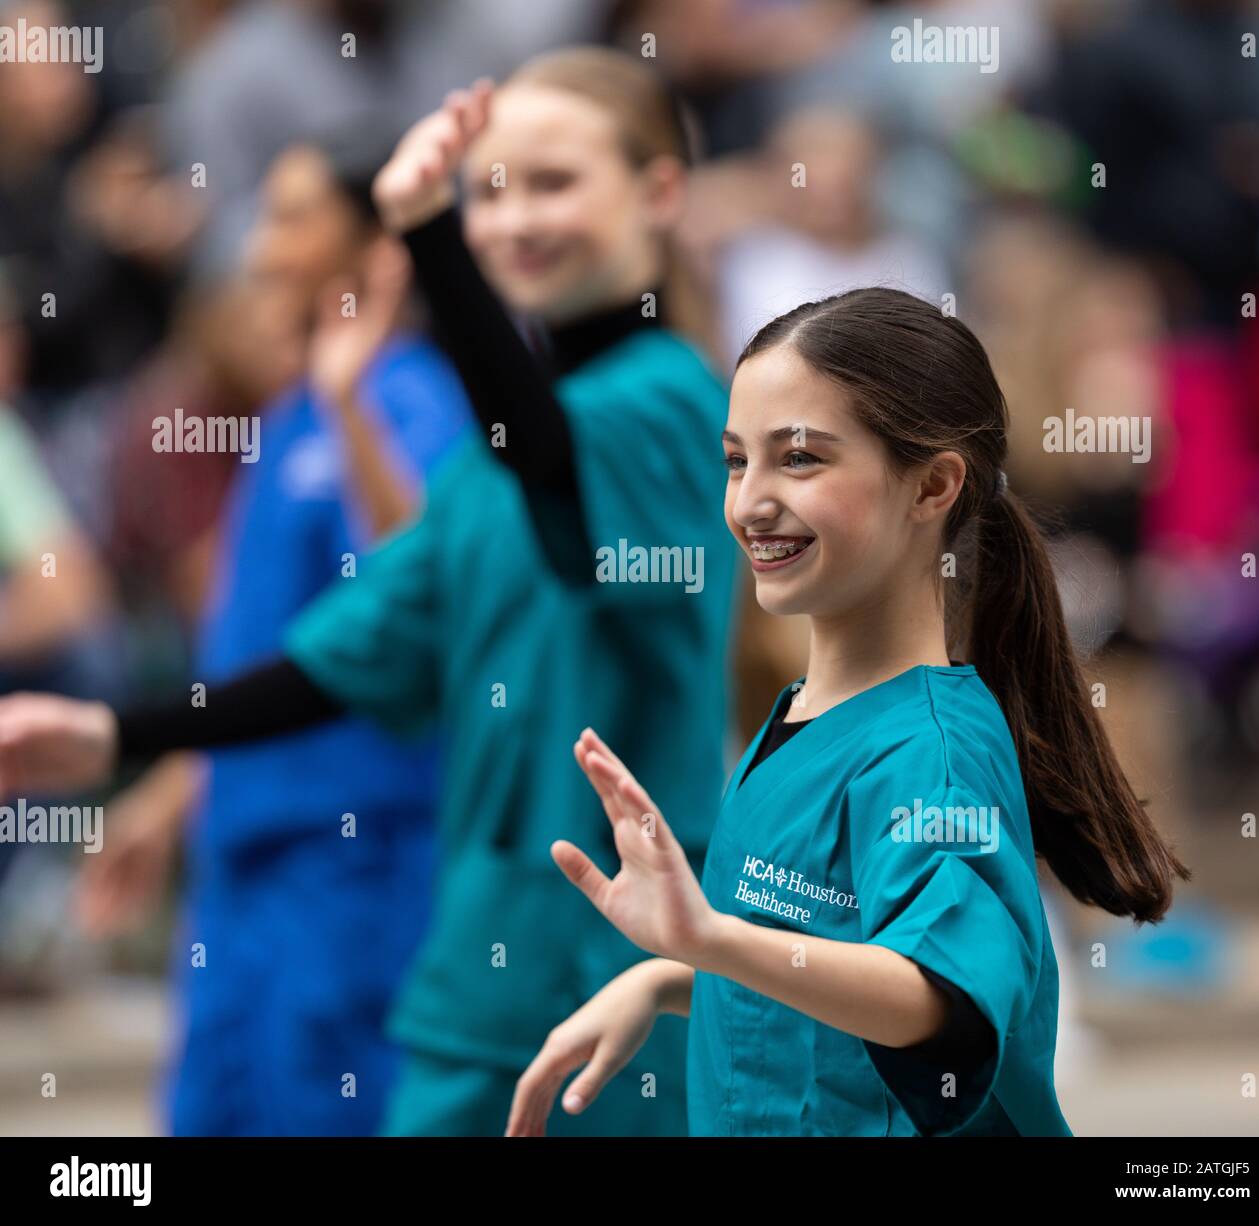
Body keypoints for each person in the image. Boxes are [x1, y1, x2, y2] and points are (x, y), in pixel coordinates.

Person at [0, 49, 737, 1137]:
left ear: (659, 191)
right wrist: (117, 732)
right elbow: (350, 650)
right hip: (477, 979)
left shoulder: (671, 402)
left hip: (615, 987)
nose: (513, 218)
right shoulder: (484, 461)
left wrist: (431, 231)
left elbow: (559, 478)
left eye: (553, 182)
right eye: (491, 188)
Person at [506, 288, 1191, 1137]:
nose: (750, 500)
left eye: (798, 459)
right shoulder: (808, 712)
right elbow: (818, 960)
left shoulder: (930, 754)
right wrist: (671, 979)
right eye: (734, 460)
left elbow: (933, 995)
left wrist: (711, 943)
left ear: (934, 485)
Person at [77, 139, 475, 1135]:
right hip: (244, 861)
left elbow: (421, 591)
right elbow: (272, 652)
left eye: (293, 217)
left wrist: (350, 409)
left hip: (354, 860)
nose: (262, 249)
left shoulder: (408, 397)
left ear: (379, 247)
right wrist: (169, 793)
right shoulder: (291, 412)